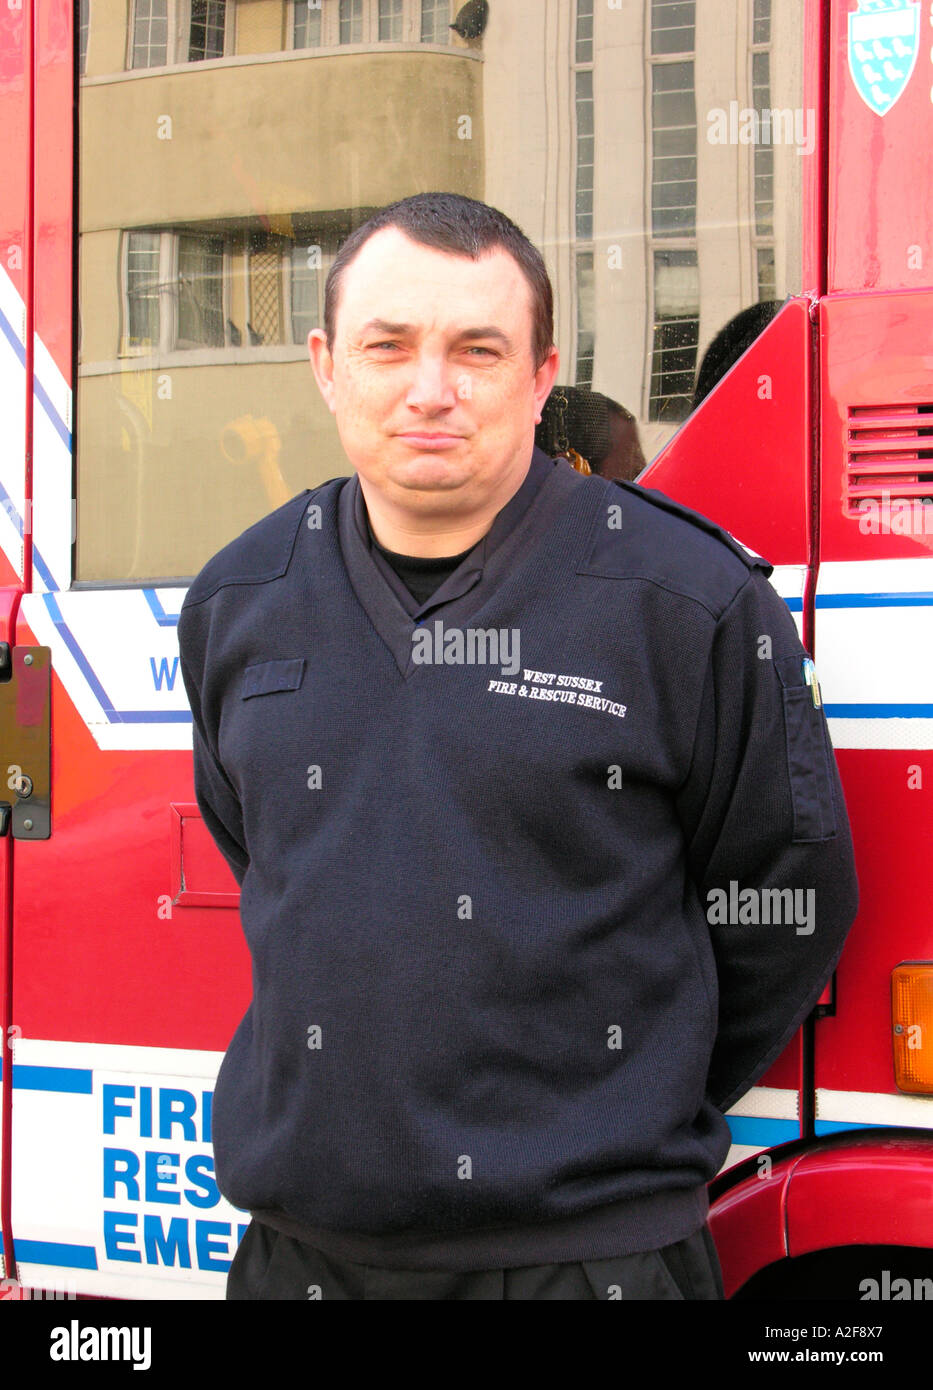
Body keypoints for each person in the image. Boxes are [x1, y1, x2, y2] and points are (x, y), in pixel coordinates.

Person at [177, 191, 859, 1301]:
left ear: (543, 376)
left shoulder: (685, 602)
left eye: (477, 350)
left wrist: (620, 1099)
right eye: (387, 346)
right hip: (299, 1260)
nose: (429, 389)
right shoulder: (242, 599)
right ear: (325, 363)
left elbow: (786, 901)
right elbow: (264, 854)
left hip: (587, 1265)